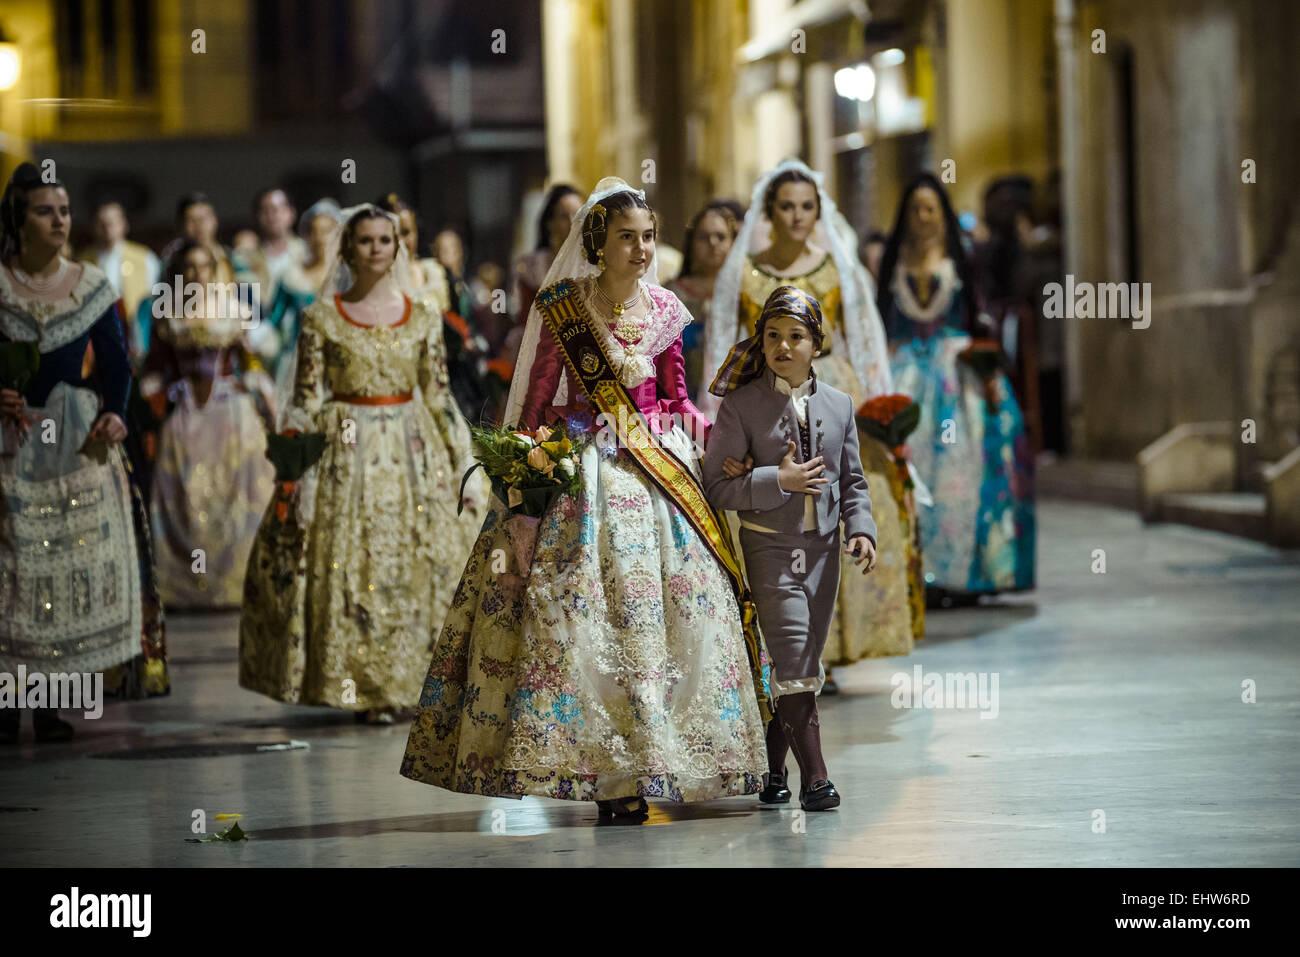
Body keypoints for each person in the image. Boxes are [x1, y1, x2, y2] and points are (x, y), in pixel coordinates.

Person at [400, 178, 769, 819]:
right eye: (628, 237)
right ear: (597, 243)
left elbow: (678, 402)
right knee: (581, 622)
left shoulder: (666, 312)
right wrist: (521, 484)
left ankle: (660, 760)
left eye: (649, 237)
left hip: (657, 476)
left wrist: (724, 442)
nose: (642, 249)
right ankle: (603, 772)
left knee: (671, 619)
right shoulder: (563, 309)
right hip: (583, 477)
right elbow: (537, 405)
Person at [239, 204, 485, 724]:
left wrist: (464, 460)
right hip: (344, 453)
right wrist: (293, 456)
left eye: (385, 239)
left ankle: (411, 680)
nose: (377, 248)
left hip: (410, 450)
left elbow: (438, 395)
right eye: (366, 240)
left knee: (415, 564)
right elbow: (305, 397)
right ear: (348, 248)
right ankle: (361, 683)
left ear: (397, 247)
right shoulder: (320, 318)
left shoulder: (422, 315)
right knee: (353, 565)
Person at [707, 159, 920, 686]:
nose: (798, 216)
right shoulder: (745, 271)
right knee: (776, 514)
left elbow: (862, 337)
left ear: (818, 212)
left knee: (835, 505)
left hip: (830, 394)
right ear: (769, 212)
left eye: (807, 207)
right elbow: (724, 343)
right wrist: (720, 423)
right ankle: (785, 651)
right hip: (765, 402)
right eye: (787, 206)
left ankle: (830, 648)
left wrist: (876, 406)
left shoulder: (837, 266)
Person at [0, 164, 166, 744]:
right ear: (18, 219)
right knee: (10, 569)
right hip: (9, 440)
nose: (61, 220)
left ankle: (50, 699)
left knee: (62, 569)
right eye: (46, 211)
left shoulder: (92, 285)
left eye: (65, 210)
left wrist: (115, 412)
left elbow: (119, 365)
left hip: (73, 439)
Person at [704, 285, 877, 810]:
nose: (783, 346)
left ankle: (772, 770)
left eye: (796, 336)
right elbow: (717, 487)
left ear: (816, 344)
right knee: (796, 654)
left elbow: (854, 481)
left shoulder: (840, 406)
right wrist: (772, 478)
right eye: (772, 336)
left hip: (824, 552)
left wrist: (861, 528)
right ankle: (817, 780)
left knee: (798, 660)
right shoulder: (741, 406)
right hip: (769, 548)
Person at [878, 173, 1035, 600]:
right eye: (915, 209)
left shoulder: (962, 259)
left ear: (942, 214)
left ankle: (971, 571)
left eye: (930, 208)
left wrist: (985, 368)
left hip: (956, 372)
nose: (923, 217)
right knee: (912, 467)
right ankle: (918, 573)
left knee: (963, 471)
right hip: (905, 369)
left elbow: (979, 312)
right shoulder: (894, 264)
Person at [144, 240, 274, 609]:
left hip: (228, 411)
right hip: (185, 411)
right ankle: (187, 586)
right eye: (191, 266)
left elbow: (248, 361)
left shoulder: (233, 309)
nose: (198, 273)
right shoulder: (169, 312)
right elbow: (157, 365)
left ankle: (233, 582)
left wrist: (258, 386)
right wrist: (158, 391)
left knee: (235, 496)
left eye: (205, 266)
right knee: (185, 494)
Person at [665, 200, 741, 404]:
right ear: (691, 244)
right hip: (682, 400)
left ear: (733, 242)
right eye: (704, 237)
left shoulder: (745, 294)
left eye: (721, 237)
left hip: (736, 398)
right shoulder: (671, 294)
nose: (713, 243)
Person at [507, 183, 581, 364]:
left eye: (579, 215)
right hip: (544, 359)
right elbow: (524, 320)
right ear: (550, 223)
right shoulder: (532, 267)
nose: (573, 222)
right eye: (564, 216)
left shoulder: (598, 263)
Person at [78, 201, 160, 324]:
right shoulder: (82, 261)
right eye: (102, 223)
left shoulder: (146, 258)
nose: (107, 228)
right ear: (93, 226)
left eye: (113, 222)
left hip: (134, 328)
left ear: (124, 224)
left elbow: (154, 298)